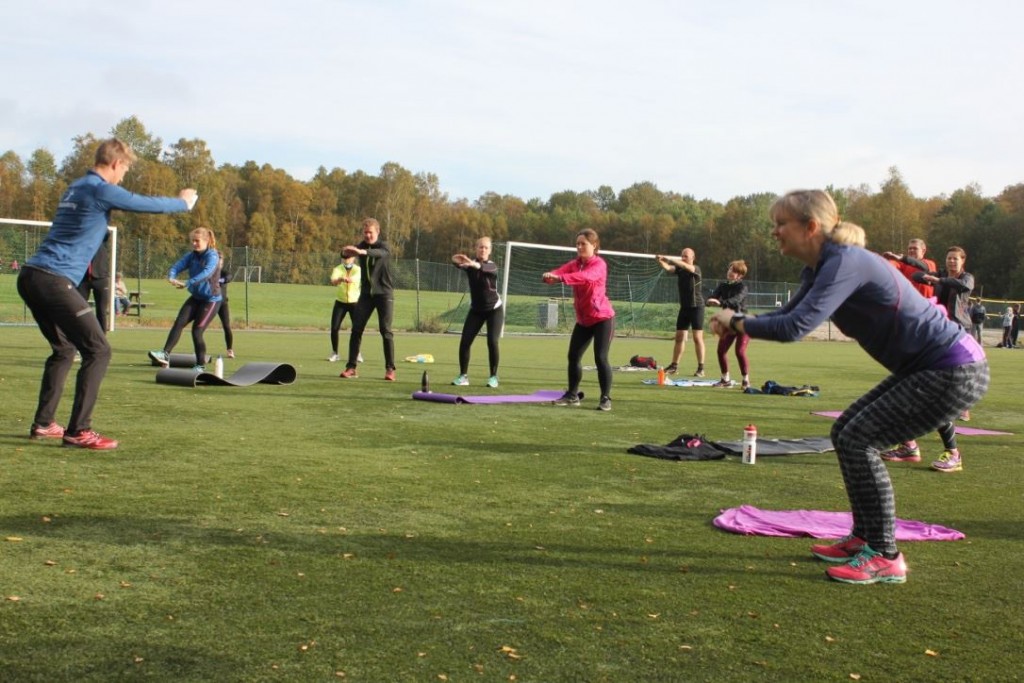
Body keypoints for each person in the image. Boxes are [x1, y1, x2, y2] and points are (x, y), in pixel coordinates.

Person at [710, 190, 987, 585]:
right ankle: (865, 538)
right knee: (846, 432)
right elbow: (788, 314)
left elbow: (794, 328)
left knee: (860, 438)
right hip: (931, 367)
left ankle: (886, 555)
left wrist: (737, 322)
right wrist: (740, 317)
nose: (774, 232)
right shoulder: (821, 267)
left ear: (810, 227)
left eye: (780, 224)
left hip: (953, 367)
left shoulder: (844, 262)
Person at [19, 138, 197, 450]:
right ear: (115, 164)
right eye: (125, 169)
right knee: (98, 350)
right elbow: (144, 204)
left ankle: (45, 423)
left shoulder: (76, 186)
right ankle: (78, 430)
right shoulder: (101, 189)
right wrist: (182, 203)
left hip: (31, 276)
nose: (124, 177)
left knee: (63, 350)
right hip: (54, 280)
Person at [877, 238, 942, 465]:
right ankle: (909, 444)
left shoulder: (929, 265)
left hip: (928, 326)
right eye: (909, 248)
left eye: (916, 249)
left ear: (924, 251)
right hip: (909, 325)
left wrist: (901, 258)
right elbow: (888, 269)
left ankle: (942, 449)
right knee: (908, 386)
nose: (912, 251)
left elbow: (922, 270)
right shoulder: (902, 266)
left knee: (921, 388)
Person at [542, 228, 616, 411]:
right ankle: (572, 395)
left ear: (595, 245)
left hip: (603, 318)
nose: (580, 247)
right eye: (578, 244)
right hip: (584, 320)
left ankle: (605, 398)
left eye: (584, 243)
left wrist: (560, 278)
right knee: (573, 356)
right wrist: (550, 277)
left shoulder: (599, 265)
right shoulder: (574, 264)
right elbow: (559, 272)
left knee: (600, 357)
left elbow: (585, 278)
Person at [913, 245, 978, 439]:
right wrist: (926, 277)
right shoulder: (940, 274)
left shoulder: (967, 277)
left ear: (962, 261)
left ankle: (964, 405)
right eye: (949, 258)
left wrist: (939, 280)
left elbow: (962, 287)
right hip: (941, 327)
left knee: (961, 368)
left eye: (955, 259)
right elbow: (917, 276)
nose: (951, 261)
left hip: (960, 328)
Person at [148, 227, 223, 372]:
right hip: (196, 298)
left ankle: (200, 365)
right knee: (179, 322)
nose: (194, 244)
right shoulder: (192, 255)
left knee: (197, 331)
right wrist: (172, 275)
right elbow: (178, 265)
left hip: (211, 300)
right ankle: (165, 353)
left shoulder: (212, 256)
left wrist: (188, 282)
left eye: (197, 241)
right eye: (192, 241)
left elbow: (206, 274)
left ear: (206, 241)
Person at [339, 218, 396, 381]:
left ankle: (390, 369)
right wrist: (345, 251)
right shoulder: (360, 245)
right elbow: (345, 254)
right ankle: (351, 367)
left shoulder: (384, 247)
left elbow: (380, 254)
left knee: (385, 330)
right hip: (366, 295)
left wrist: (362, 252)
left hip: (384, 294)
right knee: (356, 329)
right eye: (365, 232)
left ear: (377, 232)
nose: (368, 235)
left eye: (370, 232)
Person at [451, 237, 504, 388]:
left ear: (490, 251)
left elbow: (481, 267)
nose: (483, 250)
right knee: (465, 341)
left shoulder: (492, 266)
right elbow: (455, 261)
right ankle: (463, 376)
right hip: (476, 310)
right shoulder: (469, 265)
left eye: (486, 248)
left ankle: (493, 377)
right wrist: (457, 259)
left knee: (492, 341)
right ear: (476, 248)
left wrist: (471, 263)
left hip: (494, 309)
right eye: (480, 247)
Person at [655, 247, 706, 376]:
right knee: (679, 337)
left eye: (686, 256)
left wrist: (671, 259)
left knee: (697, 338)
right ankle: (674, 366)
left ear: (692, 258)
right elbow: (668, 268)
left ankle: (701, 368)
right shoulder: (680, 269)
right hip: (684, 307)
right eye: (682, 255)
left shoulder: (696, 269)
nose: (683, 258)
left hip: (697, 307)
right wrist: (660, 261)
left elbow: (684, 266)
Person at [705, 260, 751, 389]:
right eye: (730, 269)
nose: (730, 272)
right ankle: (725, 380)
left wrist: (720, 303)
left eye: (734, 271)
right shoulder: (722, 285)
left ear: (740, 275)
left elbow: (735, 300)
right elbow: (713, 296)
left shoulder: (742, 287)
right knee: (721, 351)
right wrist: (709, 300)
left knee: (740, 352)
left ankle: (746, 380)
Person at [327, 253, 360, 363]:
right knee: (334, 328)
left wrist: (347, 279)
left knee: (357, 329)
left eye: (349, 257)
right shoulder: (338, 269)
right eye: (345, 258)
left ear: (353, 258)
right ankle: (335, 353)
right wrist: (340, 279)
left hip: (354, 302)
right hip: (340, 302)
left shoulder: (358, 269)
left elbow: (354, 279)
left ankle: (357, 353)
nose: (347, 259)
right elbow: (333, 281)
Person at [77, 232, 113, 331]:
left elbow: (106, 232)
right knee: (80, 308)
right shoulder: (80, 242)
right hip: (83, 279)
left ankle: (102, 334)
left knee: (101, 309)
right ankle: (80, 331)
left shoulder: (101, 240)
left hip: (100, 278)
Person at [217, 268, 235, 358]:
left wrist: (222, 280)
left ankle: (230, 350)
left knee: (227, 326)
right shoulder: (207, 271)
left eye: (220, 262)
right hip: (209, 303)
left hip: (222, 304)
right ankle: (200, 353)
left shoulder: (223, 272)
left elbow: (229, 276)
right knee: (200, 326)